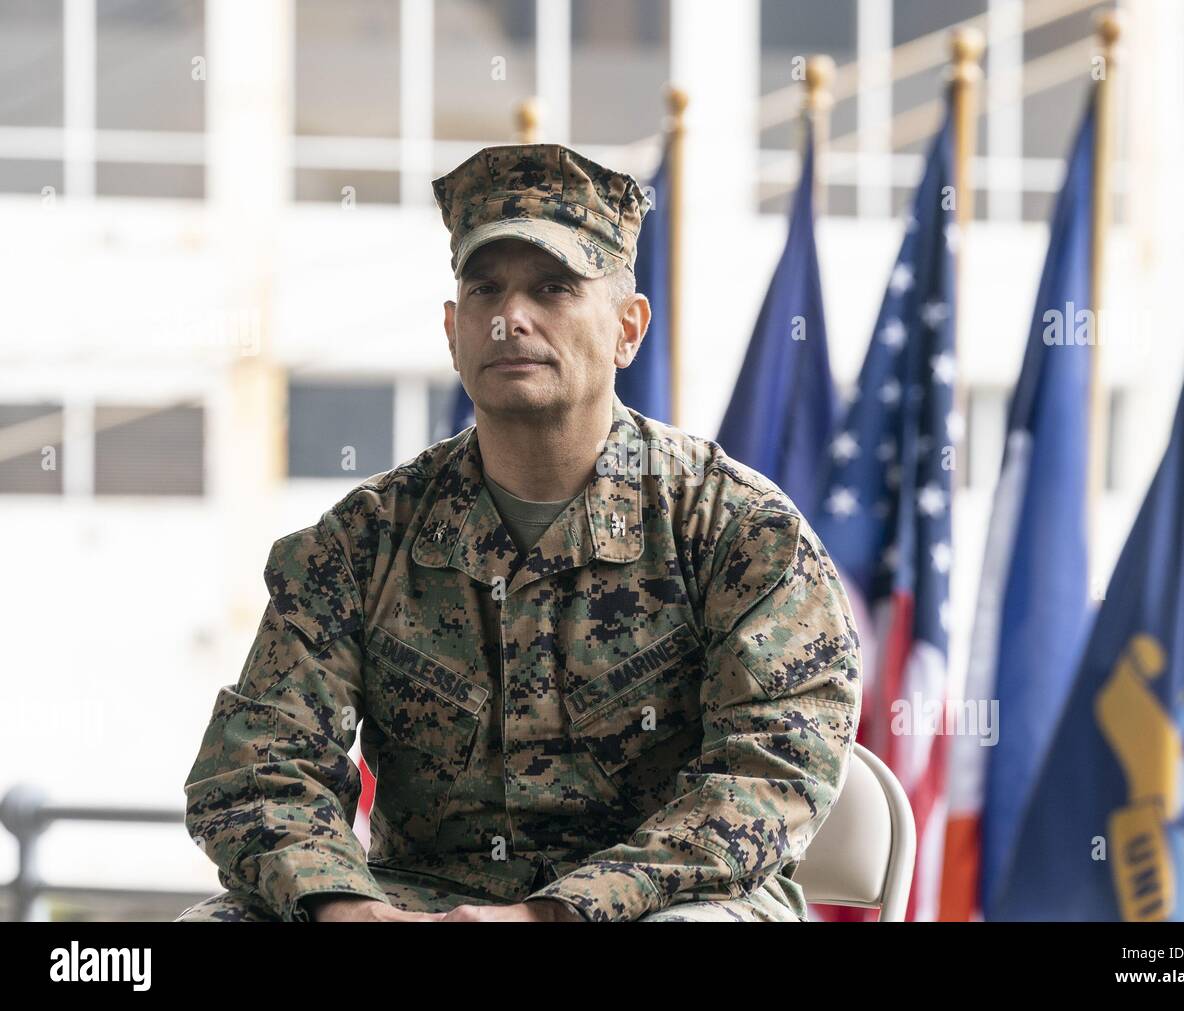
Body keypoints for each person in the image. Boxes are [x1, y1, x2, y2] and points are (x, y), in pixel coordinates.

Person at [177, 143, 862, 922]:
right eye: (486, 289)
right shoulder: (363, 541)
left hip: (663, 903)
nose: (511, 315)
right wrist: (344, 907)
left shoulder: (738, 531)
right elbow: (258, 763)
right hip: (415, 905)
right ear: (453, 330)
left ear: (628, 329)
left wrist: (554, 914)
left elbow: (771, 770)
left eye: (553, 288)